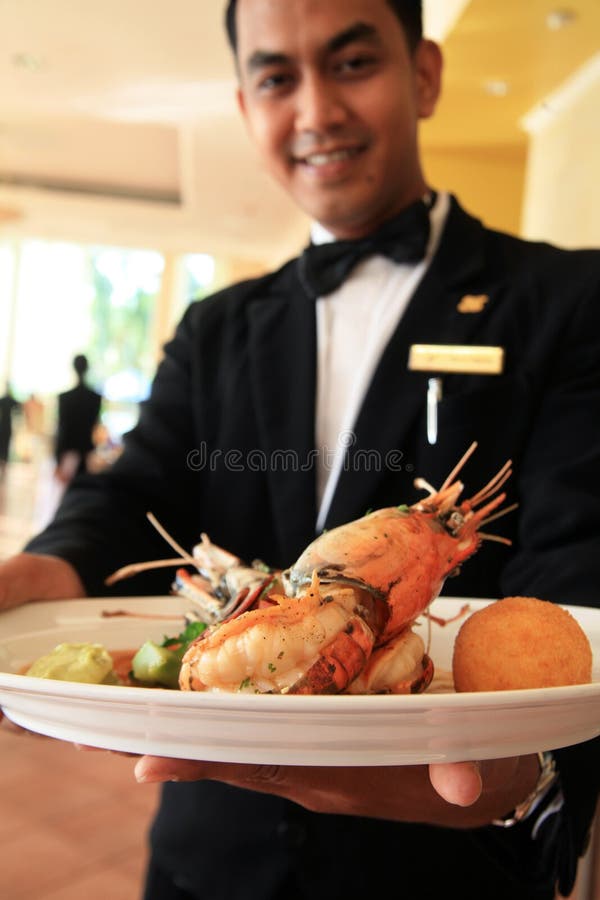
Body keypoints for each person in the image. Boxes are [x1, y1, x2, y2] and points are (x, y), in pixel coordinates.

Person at [0, 1, 599, 898]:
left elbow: (576, 576)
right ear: (246, 107)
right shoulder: (215, 327)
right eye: (278, 78)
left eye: (353, 63)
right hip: (209, 858)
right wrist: (40, 569)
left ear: (424, 74)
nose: (315, 111)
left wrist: (533, 773)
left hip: (449, 857)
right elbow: (132, 496)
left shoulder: (568, 299)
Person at [54, 353, 102, 483]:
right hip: (86, 450)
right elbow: (95, 425)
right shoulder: (95, 398)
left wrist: (58, 457)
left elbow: (62, 428)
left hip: (69, 450)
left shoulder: (65, 398)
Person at [0, 385, 20, 479]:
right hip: (7, 427)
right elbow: (19, 408)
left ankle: (3, 467)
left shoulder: (4, 400)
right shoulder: (10, 400)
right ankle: (3, 467)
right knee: (5, 447)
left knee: (3, 446)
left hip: (3, 426)